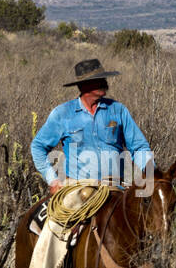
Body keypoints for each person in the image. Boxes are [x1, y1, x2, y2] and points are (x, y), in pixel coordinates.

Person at [30, 58, 154, 192]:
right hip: (77, 189)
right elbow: (38, 146)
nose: (104, 82)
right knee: (56, 212)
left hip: (115, 188)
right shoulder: (63, 113)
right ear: (84, 86)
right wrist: (52, 180)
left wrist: (151, 174)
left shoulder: (118, 110)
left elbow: (139, 147)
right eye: (99, 80)